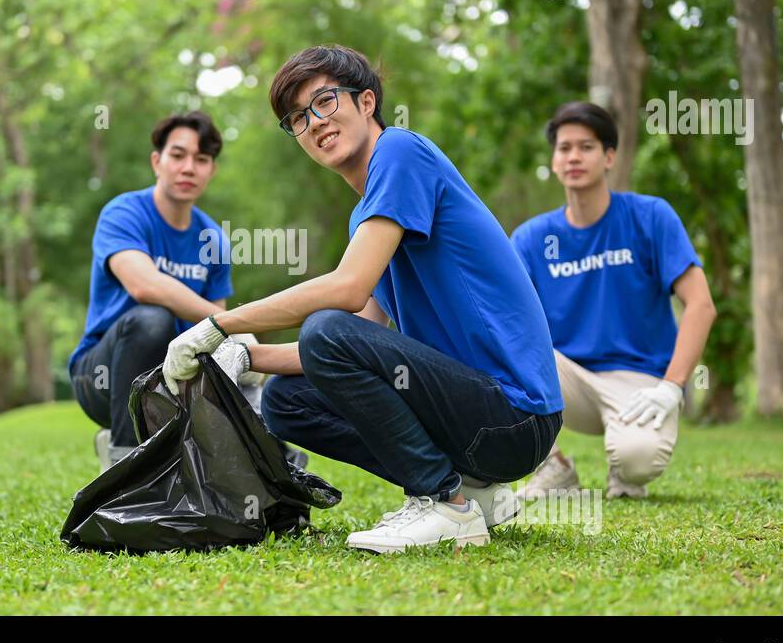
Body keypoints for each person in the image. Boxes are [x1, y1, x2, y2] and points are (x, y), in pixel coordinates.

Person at [160, 45, 564, 552]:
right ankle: (474, 492)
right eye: (298, 118)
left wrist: (220, 324)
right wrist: (240, 357)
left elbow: (346, 296)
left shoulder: (401, 153)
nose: (314, 122)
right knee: (287, 401)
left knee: (324, 329)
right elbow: (362, 335)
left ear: (367, 102)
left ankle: (444, 502)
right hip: (475, 421)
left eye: (325, 102)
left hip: (514, 416)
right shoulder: (370, 216)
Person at [510, 101, 716, 500]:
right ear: (553, 161)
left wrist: (673, 386)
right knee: (488, 350)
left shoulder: (651, 217)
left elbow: (701, 305)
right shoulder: (533, 238)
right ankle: (554, 469)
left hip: (639, 381)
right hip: (564, 378)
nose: (573, 156)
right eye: (564, 148)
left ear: (608, 157)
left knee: (637, 460)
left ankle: (623, 470)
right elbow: (505, 319)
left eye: (585, 147)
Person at [69, 111, 255, 472]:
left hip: (170, 376)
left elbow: (209, 338)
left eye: (201, 160)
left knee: (224, 362)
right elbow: (144, 284)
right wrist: (228, 324)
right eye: (178, 155)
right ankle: (123, 467)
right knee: (153, 320)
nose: (189, 168)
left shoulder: (213, 239)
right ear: (157, 161)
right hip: (100, 377)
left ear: (211, 170)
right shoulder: (123, 213)